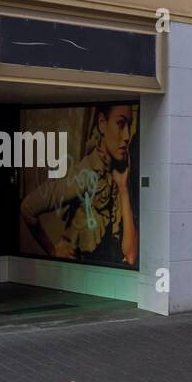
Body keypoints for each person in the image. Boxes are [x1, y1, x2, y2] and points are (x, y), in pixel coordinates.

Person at [20, 102, 139, 267]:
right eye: (120, 124)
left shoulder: (119, 174)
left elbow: (130, 255)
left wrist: (123, 188)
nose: (126, 136)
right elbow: (28, 208)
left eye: (129, 124)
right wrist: (53, 251)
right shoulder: (85, 175)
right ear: (102, 123)